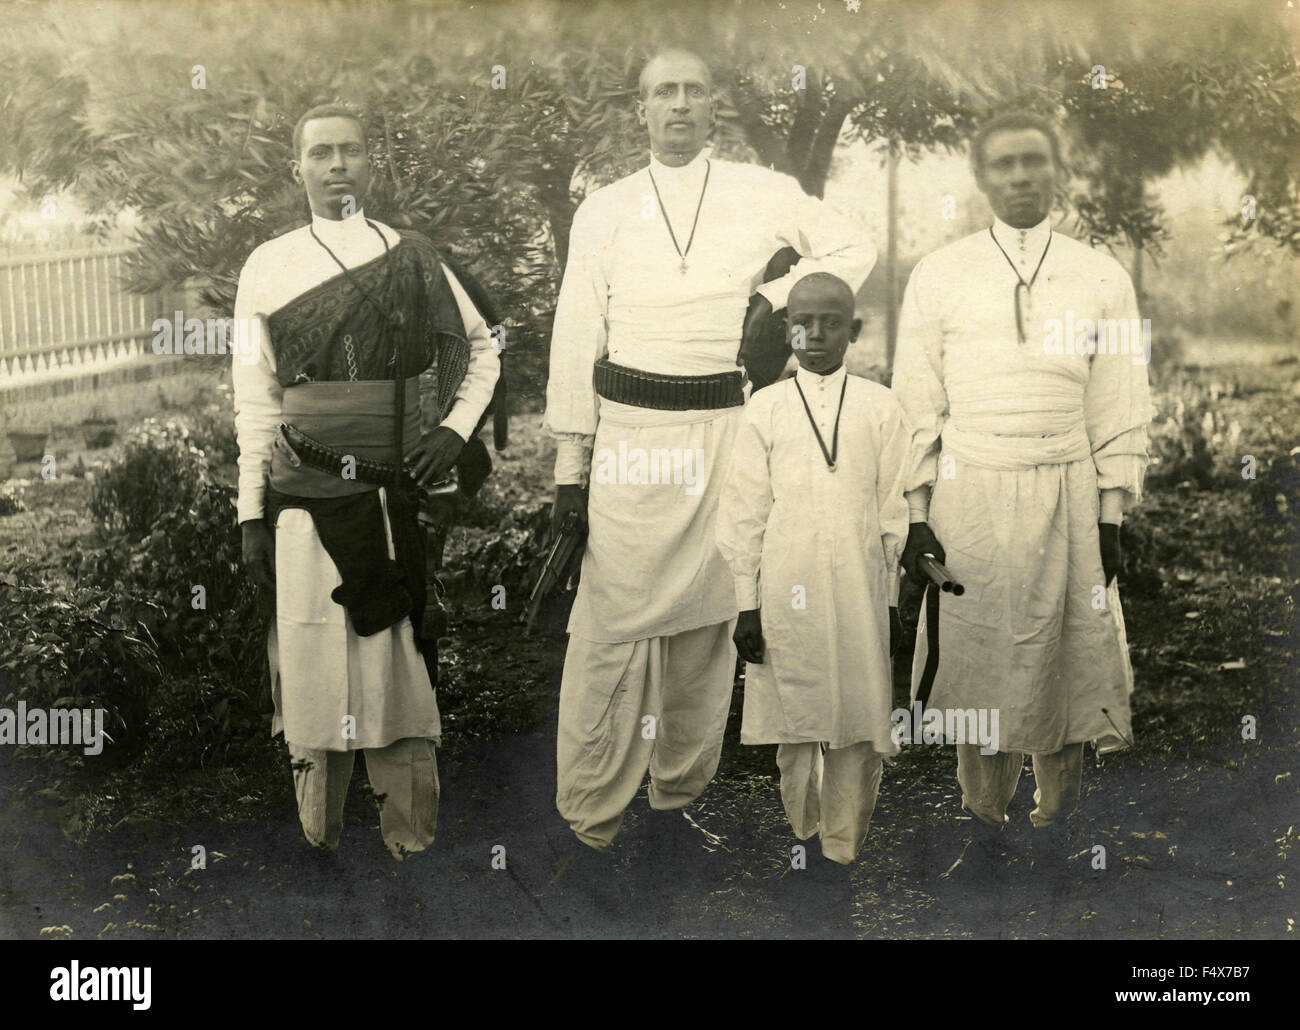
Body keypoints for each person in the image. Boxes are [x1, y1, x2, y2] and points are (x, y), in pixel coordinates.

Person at [544, 49, 875, 852]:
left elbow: (855, 244)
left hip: (726, 433)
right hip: (630, 437)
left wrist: (773, 300)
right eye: (665, 92)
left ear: (713, 106)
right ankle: (590, 816)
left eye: (694, 91)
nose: (681, 106)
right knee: (610, 629)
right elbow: (575, 337)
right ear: (643, 109)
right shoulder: (608, 209)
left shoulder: (758, 191)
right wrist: (569, 473)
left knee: (708, 624)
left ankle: (675, 800)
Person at [232, 104, 500, 860]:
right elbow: (253, 399)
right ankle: (320, 838)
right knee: (312, 653)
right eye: (321, 152)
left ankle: (410, 839)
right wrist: (249, 510)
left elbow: (481, 352)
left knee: (398, 658)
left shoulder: (411, 256)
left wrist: (452, 431)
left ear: (372, 163)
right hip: (300, 496)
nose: (338, 164)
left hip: (392, 493)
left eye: (351, 150)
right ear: (299, 168)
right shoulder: (270, 263)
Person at [891, 111, 1153, 871]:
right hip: (969, 486)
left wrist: (1111, 512)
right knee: (976, 654)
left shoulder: (1101, 276)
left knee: (1065, 649)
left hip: (1068, 485)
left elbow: (1119, 399)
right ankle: (983, 825)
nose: (1019, 178)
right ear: (981, 176)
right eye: (1002, 165)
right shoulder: (939, 274)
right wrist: (916, 515)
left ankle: (1058, 824)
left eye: (1033, 162)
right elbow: (917, 402)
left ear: (1058, 168)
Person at [717, 272, 909, 867]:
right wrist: (746, 604)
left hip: (860, 583)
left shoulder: (880, 405)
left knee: (857, 714)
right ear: (785, 328)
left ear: (852, 331)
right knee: (796, 714)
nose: (817, 333)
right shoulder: (764, 409)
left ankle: (843, 846)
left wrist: (893, 602)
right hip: (785, 584)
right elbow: (744, 513)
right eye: (804, 321)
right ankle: (803, 833)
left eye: (832, 322)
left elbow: (893, 513)